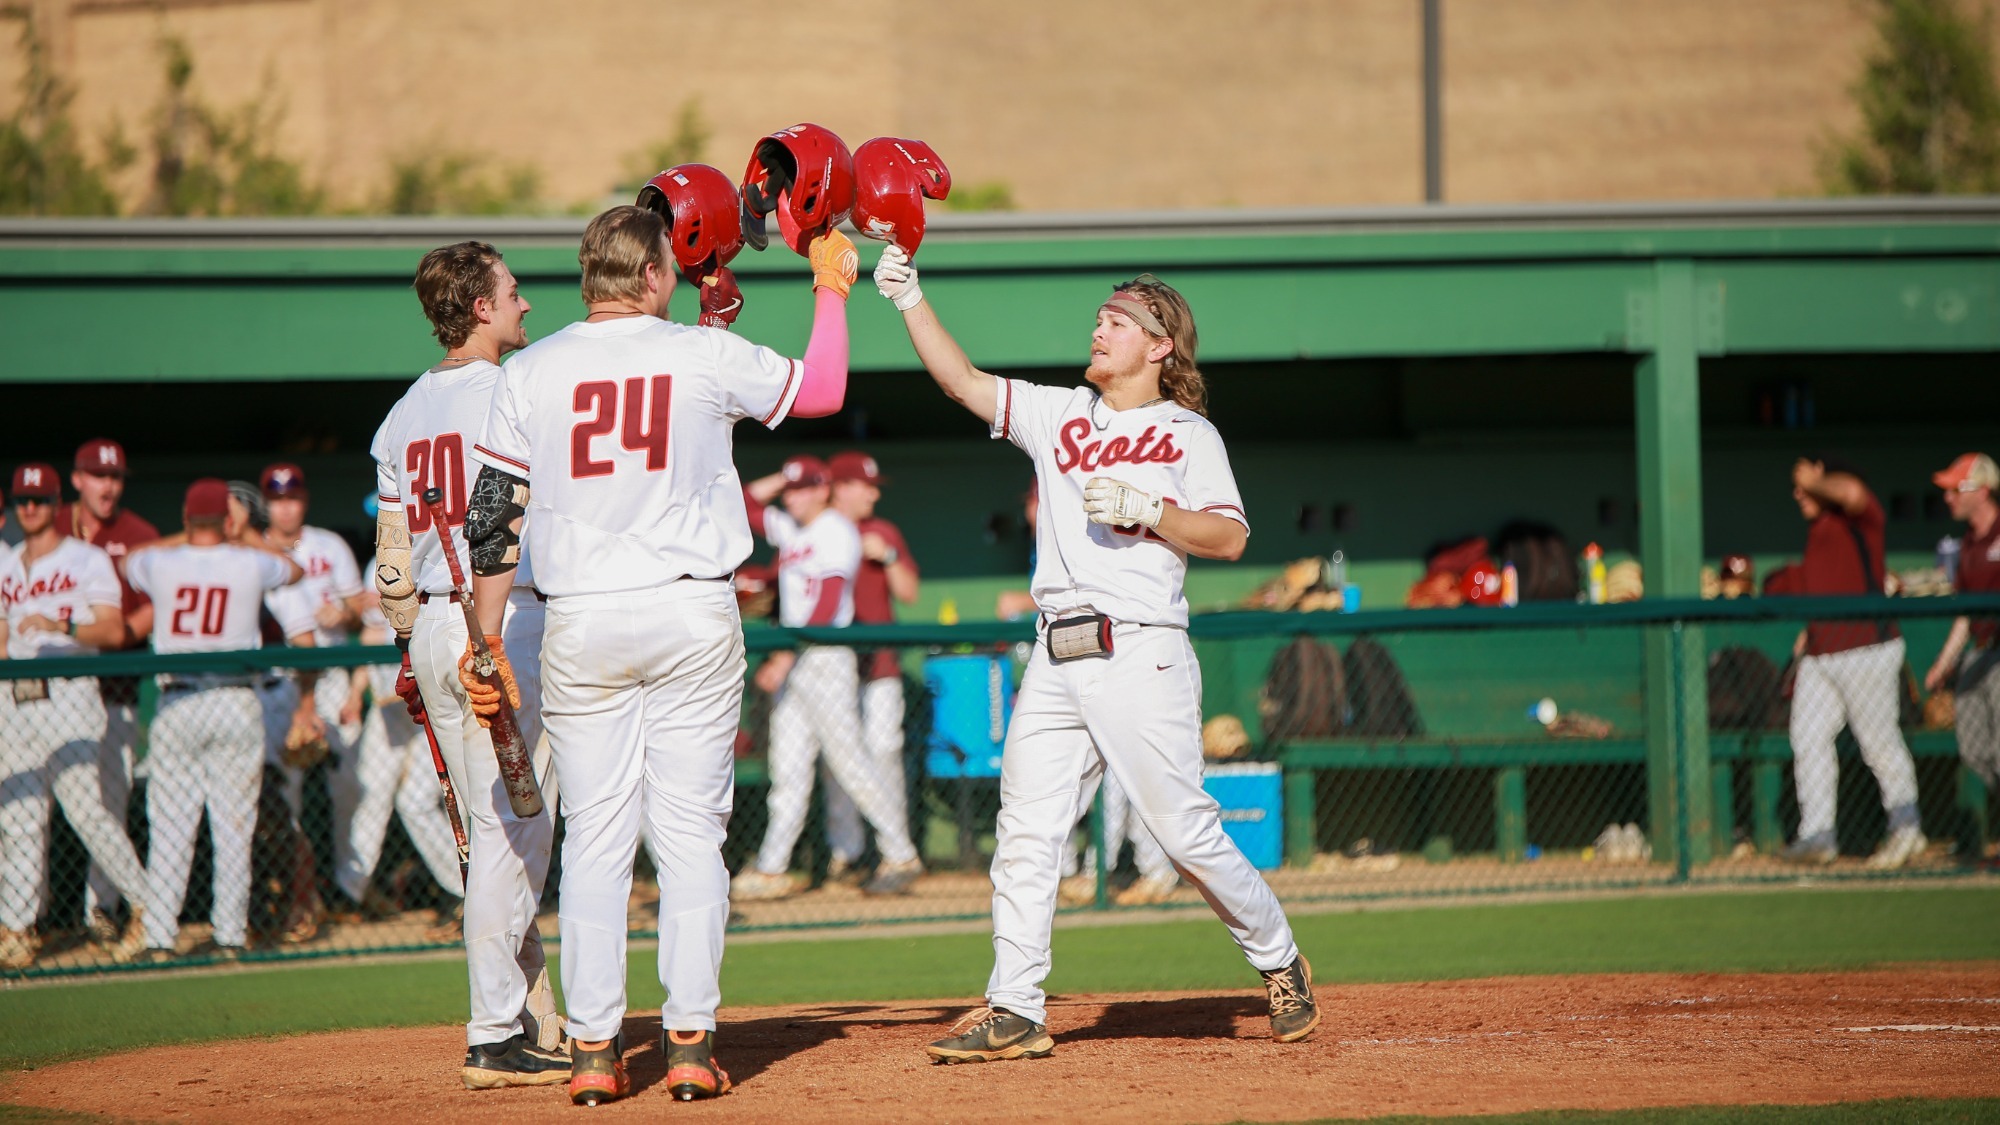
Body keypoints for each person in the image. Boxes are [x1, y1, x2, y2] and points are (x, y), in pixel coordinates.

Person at [871, 247, 1318, 1061]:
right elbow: (964, 382)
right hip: (1056, 651)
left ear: (1160, 347)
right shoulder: (1061, 413)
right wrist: (909, 296)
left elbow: (1230, 534)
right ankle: (1015, 1005)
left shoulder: (1187, 431)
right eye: (1102, 316)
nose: (1100, 326)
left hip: (1139, 647)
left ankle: (1278, 956)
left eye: (1119, 320)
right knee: (1027, 832)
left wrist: (1153, 509)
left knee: (1184, 834)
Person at [461, 204, 857, 1104]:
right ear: (650, 276)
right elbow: (824, 389)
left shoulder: (531, 367)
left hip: (581, 618)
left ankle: (595, 1051)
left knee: (596, 837)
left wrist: (487, 637)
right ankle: (687, 1043)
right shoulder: (699, 353)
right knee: (689, 835)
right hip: (688, 609)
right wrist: (830, 287)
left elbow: (492, 517)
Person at [370, 239, 567, 1089]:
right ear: (481, 307)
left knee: (495, 827)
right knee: (512, 828)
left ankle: (527, 1014)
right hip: (501, 618)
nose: (526, 303)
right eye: (513, 292)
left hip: (433, 625)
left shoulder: (402, 411)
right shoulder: (515, 389)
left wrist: (414, 646)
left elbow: (390, 561)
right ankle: (494, 1029)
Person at [125, 479, 303, 958]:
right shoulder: (249, 560)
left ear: (185, 519)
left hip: (178, 700)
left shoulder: (161, 561)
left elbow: (128, 559)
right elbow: (294, 568)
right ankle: (228, 936)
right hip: (234, 699)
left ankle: (160, 938)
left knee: (170, 826)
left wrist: (190, 536)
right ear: (226, 521)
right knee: (233, 825)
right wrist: (237, 536)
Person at [736, 456, 924, 901]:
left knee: (850, 762)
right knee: (789, 769)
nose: (795, 497)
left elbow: (830, 597)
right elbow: (741, 502)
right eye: (791, 492)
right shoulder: (791, 530)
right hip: (799, 662)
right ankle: (771, 866)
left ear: (824, 490)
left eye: (805, 489)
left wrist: (787, 653)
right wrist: (785, 477)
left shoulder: (835, 530)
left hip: (823, 657)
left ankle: (900, 852)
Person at [0, 464, 154, 969]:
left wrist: (60, 621)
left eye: (40, 500)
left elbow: (112, 632)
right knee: (19, 817)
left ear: (55, 503)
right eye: (23, 499)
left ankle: (148, 909)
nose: (30, 508)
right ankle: (20, 929)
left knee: (88, 812)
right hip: (16, 699)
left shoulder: (84, 558)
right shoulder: (7, 563)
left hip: (70, 694)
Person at [1781, 456, 1926, 869]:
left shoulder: (1860, 516)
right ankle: (1818, 833)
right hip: (1822, 653)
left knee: (1878, 742)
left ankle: (1906, 827)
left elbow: (1852, 493)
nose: (1798, 494)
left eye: (1805, 487)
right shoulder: (1819, 530)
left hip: (1866, 649)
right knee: (1807, 738)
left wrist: (1815, 480)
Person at [54, 438, 158, 943]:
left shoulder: (137, 532)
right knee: (31, 810)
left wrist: (124, 633)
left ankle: (101, 909)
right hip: (49, 692)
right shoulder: (46, 528)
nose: (108, 485)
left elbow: (158, 600)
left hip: (113, 688)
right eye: (98, 475)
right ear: (77, 479)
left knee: (109, 805)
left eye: (115, 476)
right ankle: (26, 919)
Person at [259, 463, 375, 895]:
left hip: (327, 678)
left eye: (292, 499)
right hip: (278, 681)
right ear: (266, 503)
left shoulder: (328, 544)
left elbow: (360, 604)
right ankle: (292, 889)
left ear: (303, 501)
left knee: (346, 785)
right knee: (282, 790)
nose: (285, 508)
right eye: (276, 499)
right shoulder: (255, 551)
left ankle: (348, 886)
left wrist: (343, 613)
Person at [821, 450, 921, 884]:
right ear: (840, 488)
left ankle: (892, 853)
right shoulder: (820, 531)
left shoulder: (882, 530)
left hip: (879, 666)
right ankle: (847, 853)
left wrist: (889, 557)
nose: (872, 494)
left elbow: (910, 593)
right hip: (833, 669)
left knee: (882, 755)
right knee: (836, 765)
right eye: (865, 485)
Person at [1924, 453, 2000, 794]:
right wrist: (1944, 663)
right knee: (1974, 749)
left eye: (1956, 489)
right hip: (1981, 654)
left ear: (1982, 491)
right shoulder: (1967, 544)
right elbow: (1965, 615)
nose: (1948, 497)